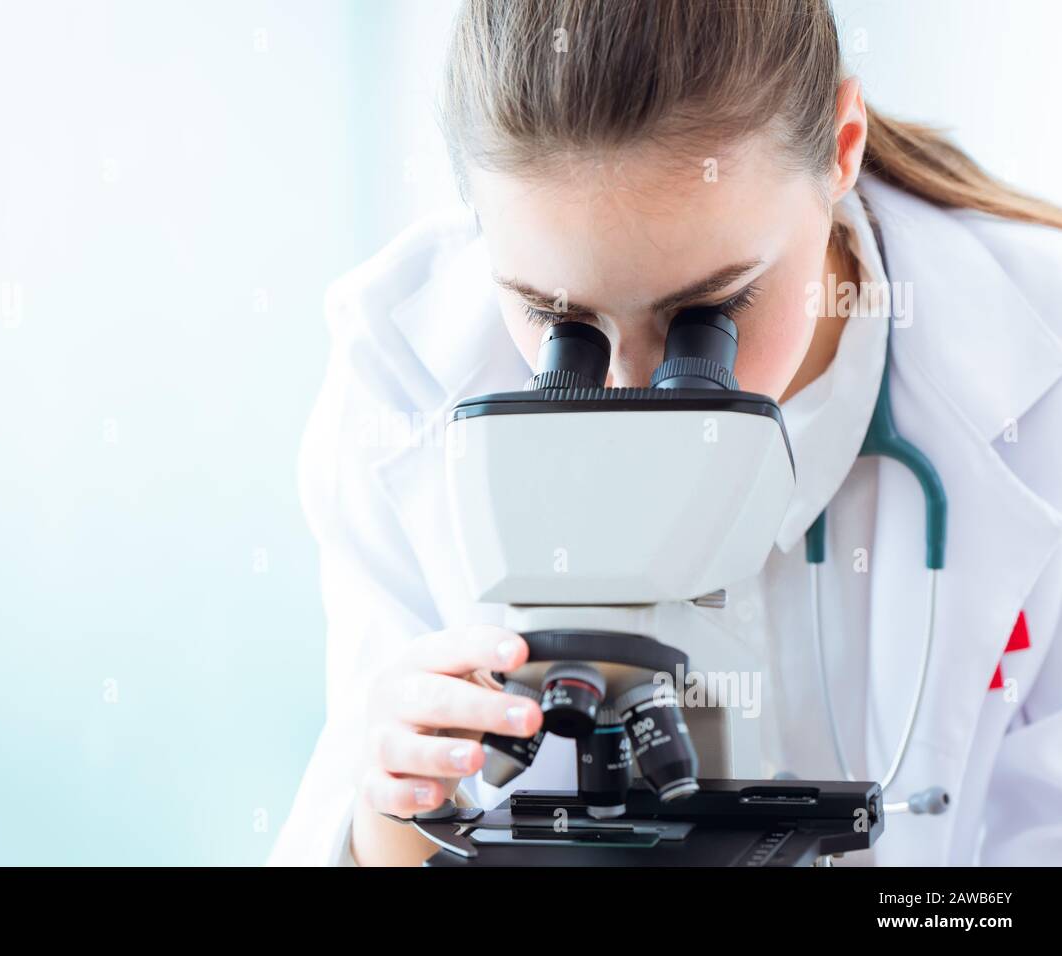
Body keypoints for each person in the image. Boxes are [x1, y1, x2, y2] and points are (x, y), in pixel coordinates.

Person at [270, 0, 1062, 866]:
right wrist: (385, 828)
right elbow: (353, 812)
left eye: (708, 314)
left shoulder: (1037, 357)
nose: (631, 390)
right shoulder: (403, 377)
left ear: (840, 149)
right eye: (555, 317)